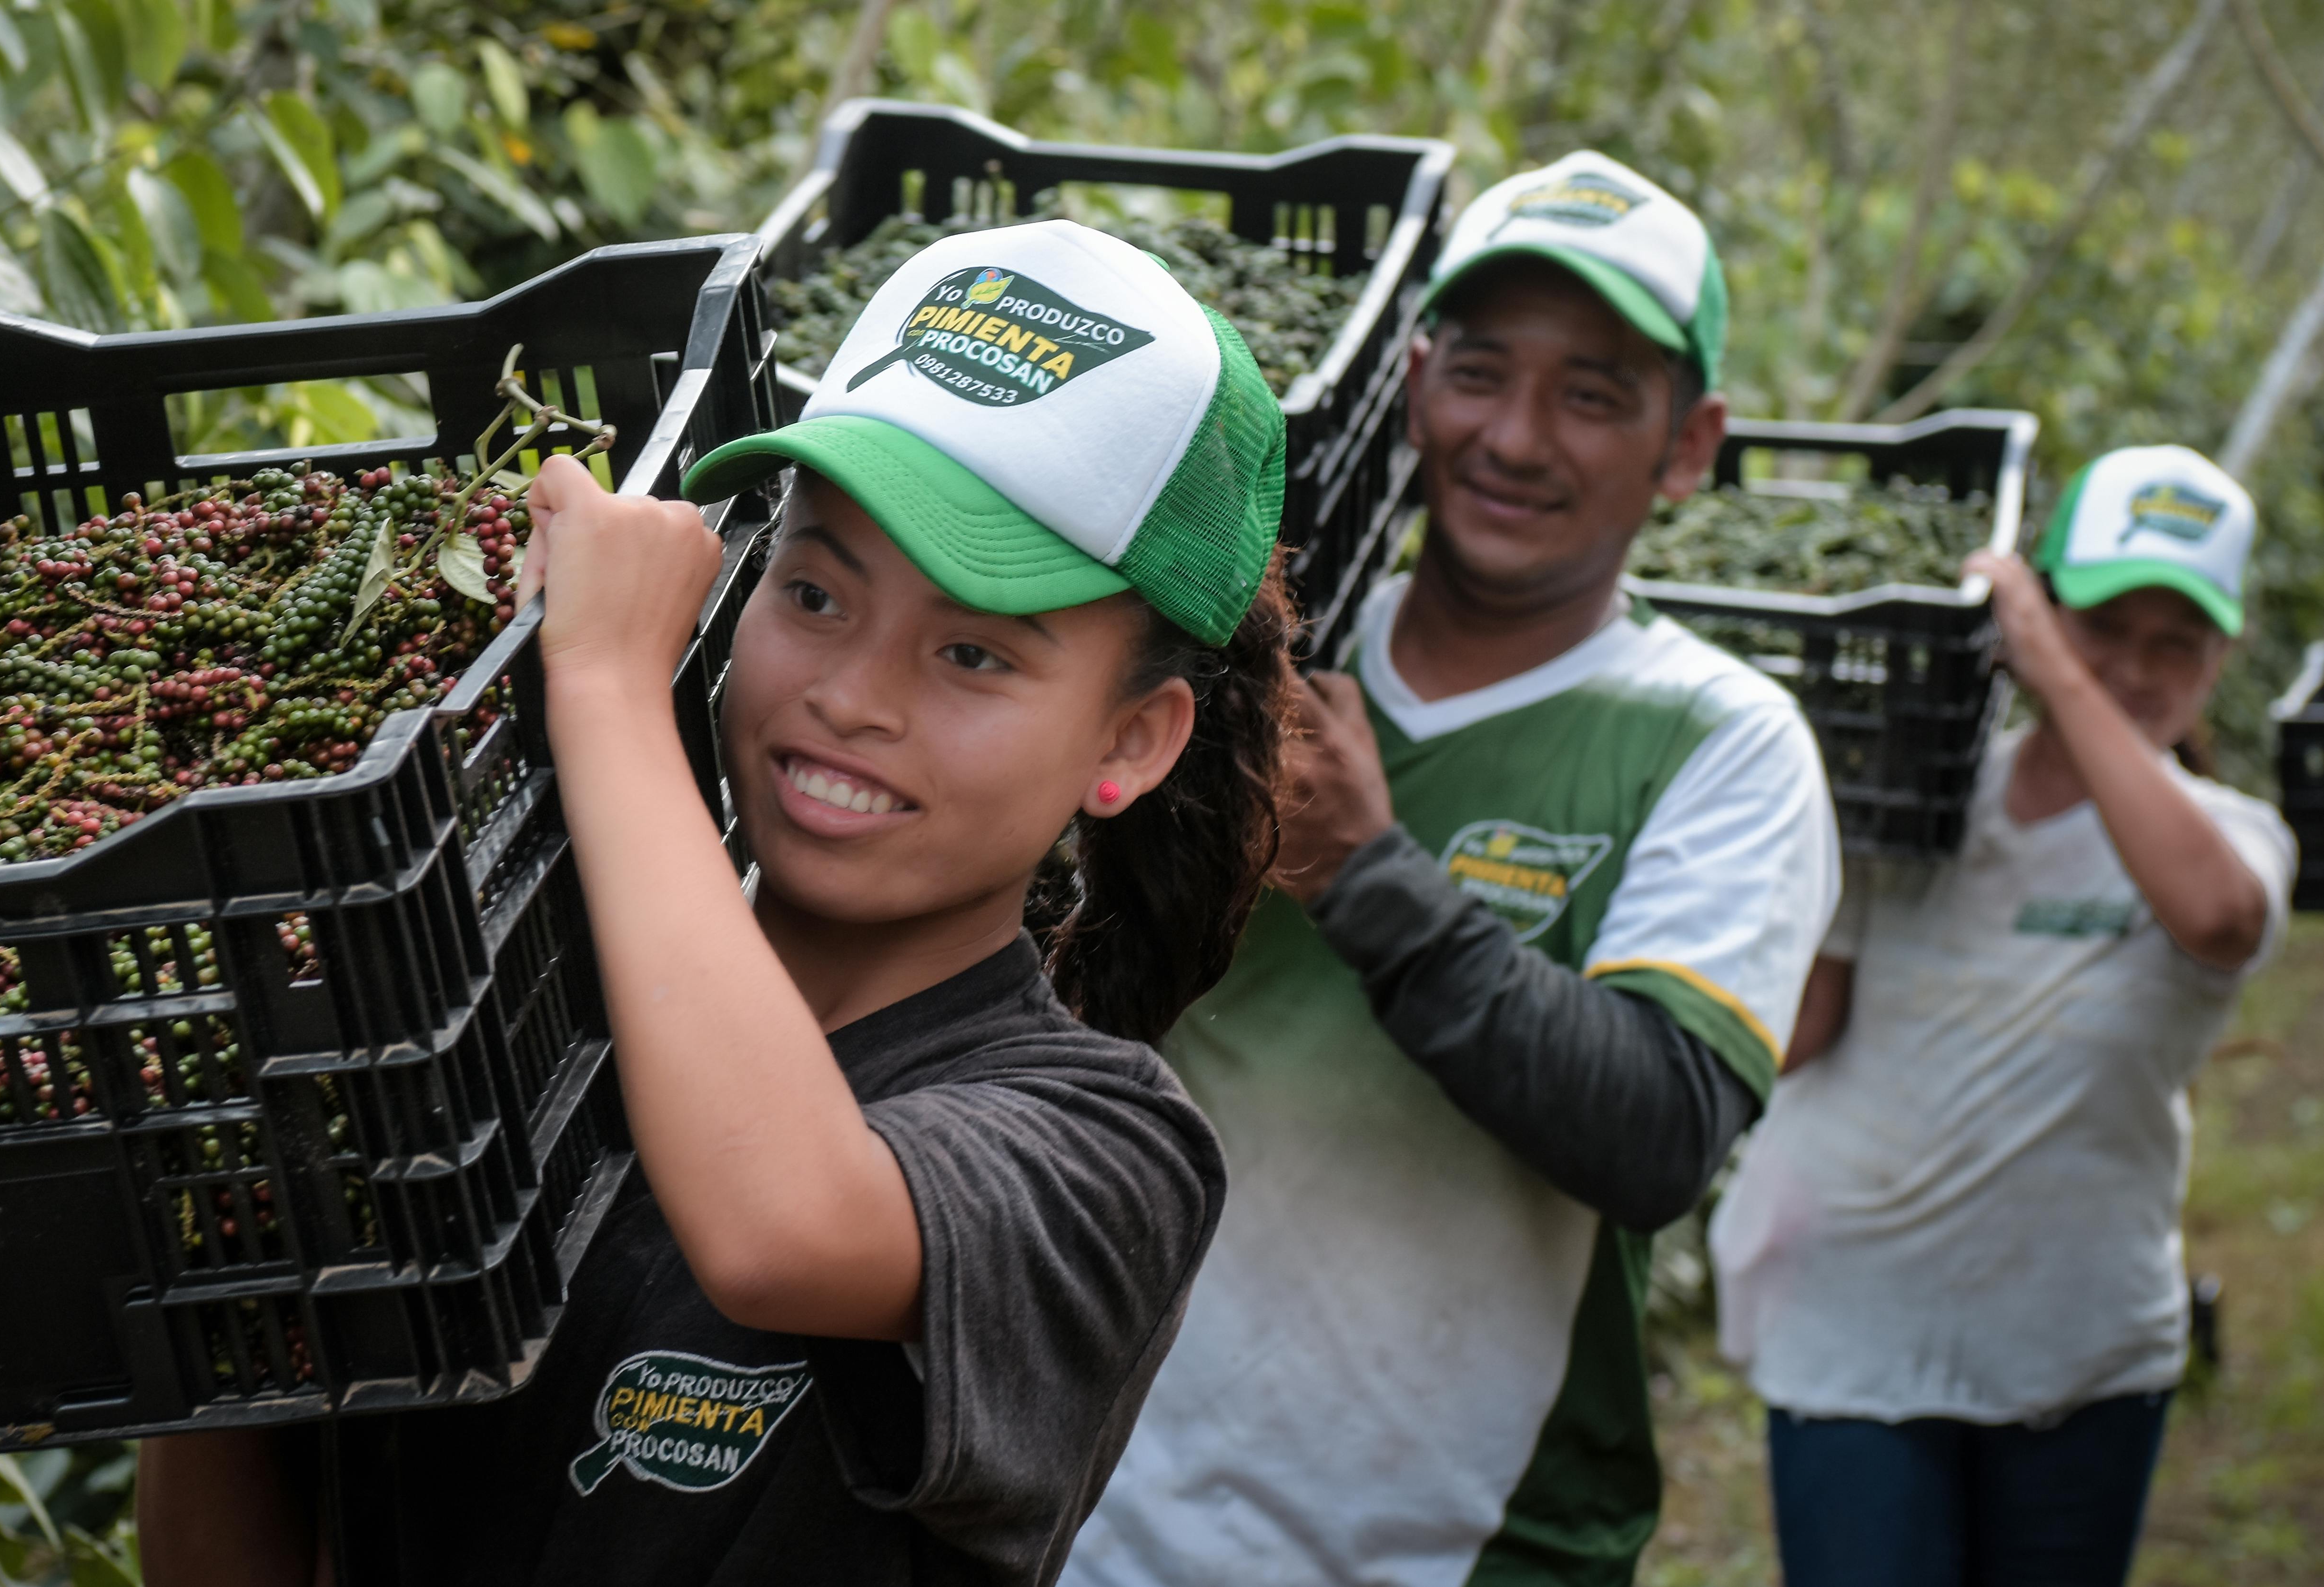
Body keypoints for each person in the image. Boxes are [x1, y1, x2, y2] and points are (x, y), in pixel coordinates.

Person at [136, 217, 1303, 1586]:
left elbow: (779, 1223)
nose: (851, 695)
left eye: (974, 653)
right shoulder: (515, 1018)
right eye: (812, 591)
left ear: (1130, 744)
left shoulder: (1105, 1155)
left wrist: (609, 687)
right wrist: (212, 1266)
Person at [1066, 150, 1839, 1587]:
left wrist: (1369, 878)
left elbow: (1660, 1130)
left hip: (1463, 1548)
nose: (1517, 435)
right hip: (1105, 1516)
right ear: (1412, 379)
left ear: (1690, 442)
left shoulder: (1724, 743)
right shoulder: (1246, 670)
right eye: (1480, 372)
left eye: (1594, 393)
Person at [1708, 445, 2295, 1587]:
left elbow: (2218, 917)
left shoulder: (2230, 837)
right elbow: (1808, 1025)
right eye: (2101, 626)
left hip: (2077, 1354)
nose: (2133, 664)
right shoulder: (1926, 799)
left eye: (2173, 640)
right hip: (1855, 1336)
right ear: (2045, 610)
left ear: (2219, 659)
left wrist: (2055, 672)